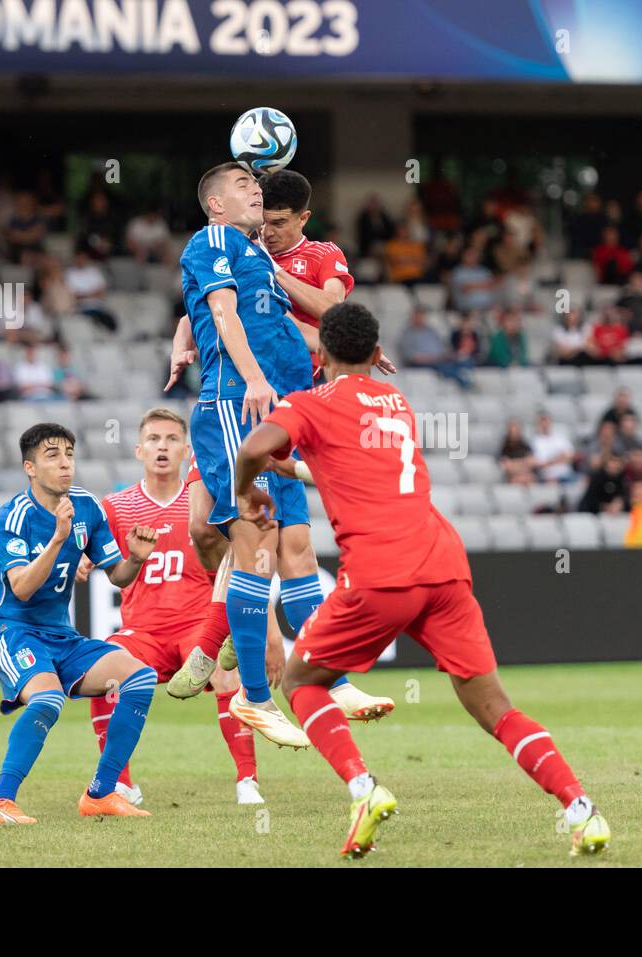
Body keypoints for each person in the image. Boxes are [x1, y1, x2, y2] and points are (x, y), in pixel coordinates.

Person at [230, 301, 610, 859]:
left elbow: (253, 447)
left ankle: (364, 789)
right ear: (377, 354)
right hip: (444, 565)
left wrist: (247, 490)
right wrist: (287, 468)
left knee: (301, 681)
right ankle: (581, 809)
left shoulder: (309, 402)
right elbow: (346, 464)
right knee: (495, 708)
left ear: (322, 355)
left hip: (383, 572)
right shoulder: (397, 402)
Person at [167, 163, 390, 745]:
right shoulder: (212, 240)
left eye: (256, 185)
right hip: (238, 405)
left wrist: (356, 348)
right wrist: (252, 377)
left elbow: (298, 326)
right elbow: (220, 313)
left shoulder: (260, 257)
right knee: (246, 538)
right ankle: (254, 693)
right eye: (243, 186)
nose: (255, 191)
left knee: (290, 542)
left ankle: (321, 675)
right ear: (215, 204)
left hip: (282, 412)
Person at [75, 408, 263, 806]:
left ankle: (248, 780)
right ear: (139, 450)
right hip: (142, 631)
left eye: (172, 439)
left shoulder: (204, 506)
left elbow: (234, 559)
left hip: (198, 624)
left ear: (186, 450)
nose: (163, 446)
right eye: (155, 439)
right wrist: (83, 559)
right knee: (101, 671)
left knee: (227, 678)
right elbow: (96, 555)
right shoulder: (116, 506)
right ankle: (119, 782)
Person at [0, 423, 159, 825]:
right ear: (30, 467)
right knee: (48, 699)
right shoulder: (11, 517)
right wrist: (58, 540)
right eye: (52, 455)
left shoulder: (86, 507)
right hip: (12, 630)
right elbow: (21, 588)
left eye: (70, 454)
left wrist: (137, 558)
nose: (65, 463)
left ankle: (101, 793)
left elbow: (118, 576)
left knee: (141, 678)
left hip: (62, 636)